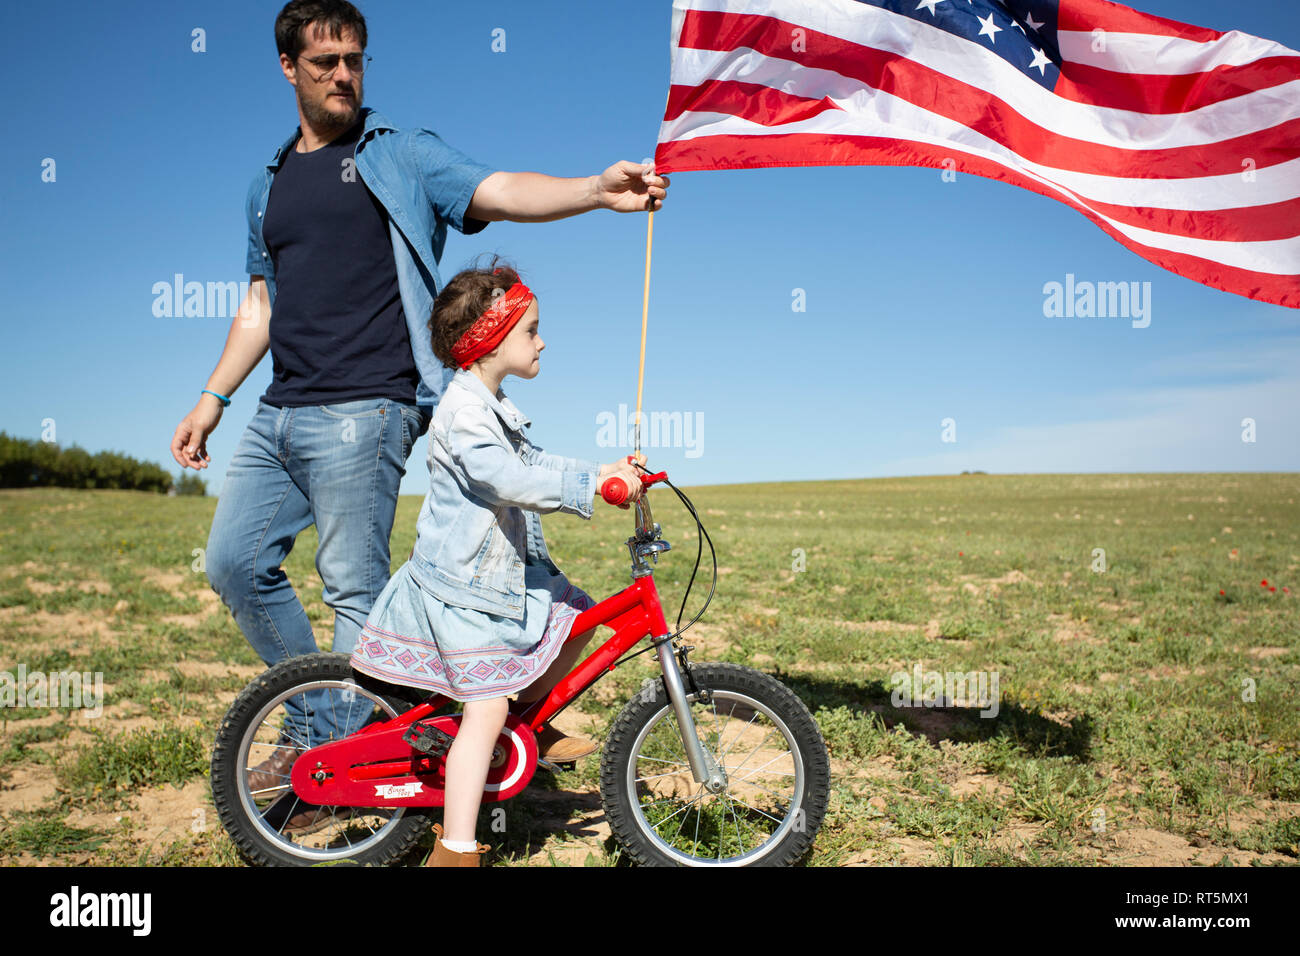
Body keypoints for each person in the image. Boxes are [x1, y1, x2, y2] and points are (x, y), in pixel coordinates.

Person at [166, 0, 668, 809]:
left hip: (368, 406)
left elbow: (496, 188)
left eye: (355, 59)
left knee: (353, 590)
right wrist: (212, 397)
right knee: (232, 564)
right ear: (288, 67)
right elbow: (259, 306)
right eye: (325, 61)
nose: (343, 74)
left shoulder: (397, 154)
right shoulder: (267, 187)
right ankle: (334, 734)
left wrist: (592, 191)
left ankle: (372, 769)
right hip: (278, 409)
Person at [349, 260, 643, 866]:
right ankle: (455, 848)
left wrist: (603, 472)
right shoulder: (462, 412)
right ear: (491, 338)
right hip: (463, 590)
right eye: (532, 330)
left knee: (576, 618)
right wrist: (592, 490)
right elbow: (507, 478)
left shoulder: (493, 403)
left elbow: (537, 461)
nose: (543, 341)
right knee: (483, 710)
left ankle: (530, 721)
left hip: (500, 579)